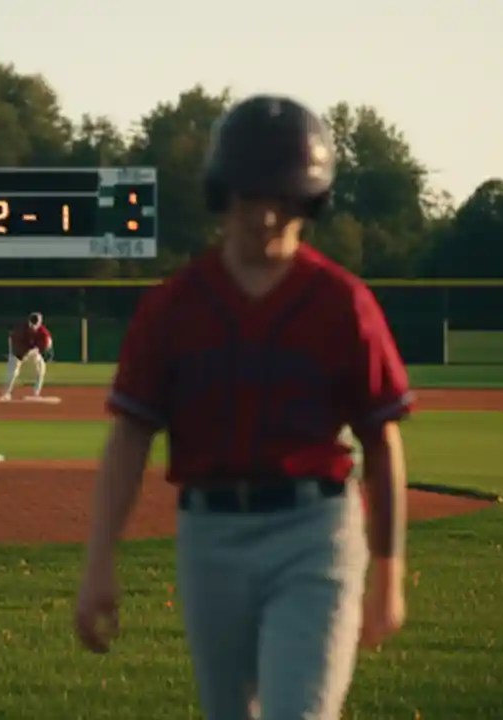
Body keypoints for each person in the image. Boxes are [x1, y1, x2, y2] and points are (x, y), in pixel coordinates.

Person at [73, 95, 413, 720]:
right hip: (210, 535)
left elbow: (382, 441)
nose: (264, 214)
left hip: (314, 534)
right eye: (250, 195)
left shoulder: (342, 303)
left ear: (310, 201)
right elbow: (129, 439)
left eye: (284, 198)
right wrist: (99, 564)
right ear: (221, 193)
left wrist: (388, 572)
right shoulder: (174, 307)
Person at [0, 312, 54, 401]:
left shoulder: (43, 333)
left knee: (40, 369)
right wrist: (20, 355)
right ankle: (6, 394)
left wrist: (43, 347)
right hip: (18, 351)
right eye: (33, 321)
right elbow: (14, 344)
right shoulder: (21, 330)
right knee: (12, 372)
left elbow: (44, 345)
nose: (34, 324)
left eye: (36, 322)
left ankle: (35, 393)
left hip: (33, 351)